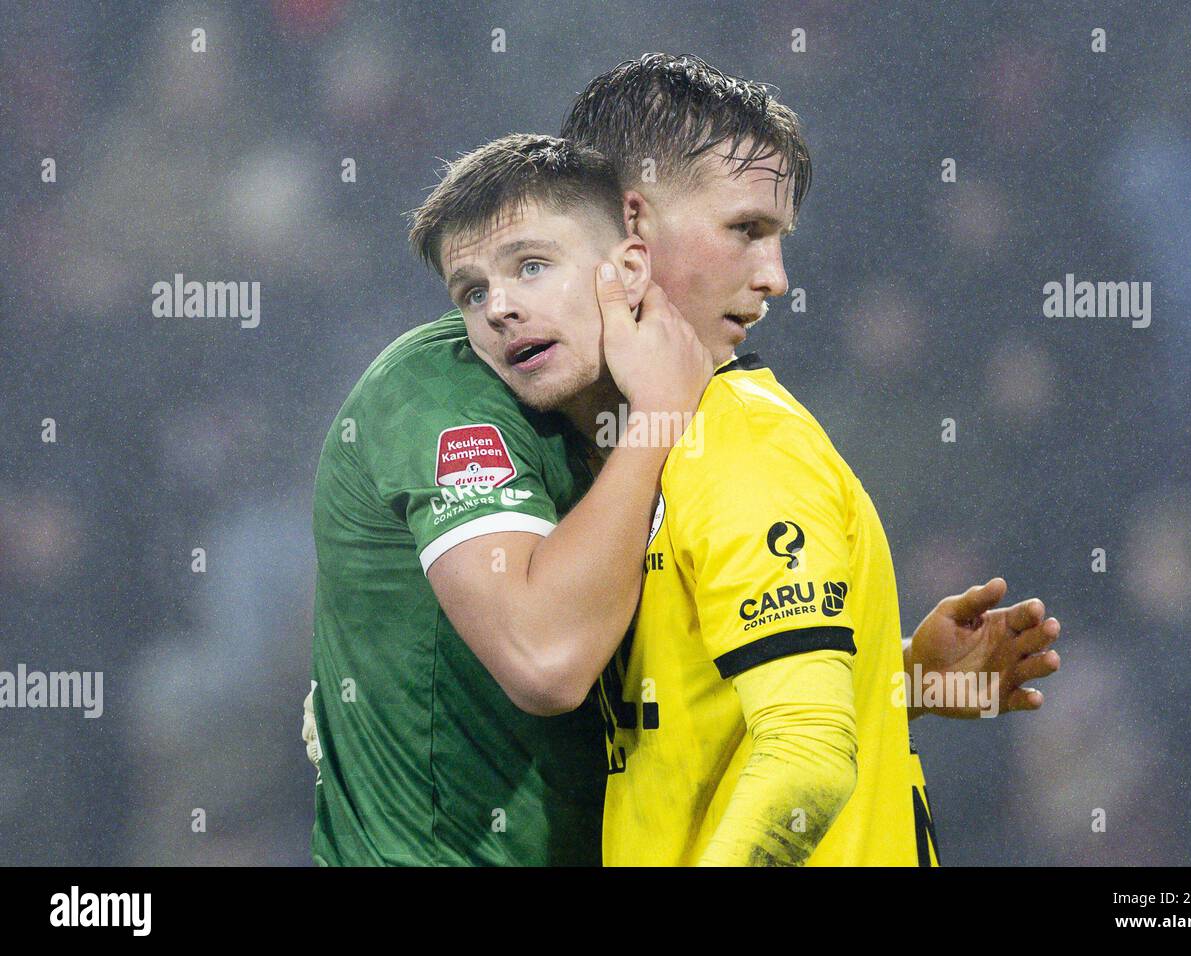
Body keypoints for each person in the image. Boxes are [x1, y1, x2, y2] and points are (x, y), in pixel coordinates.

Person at [305, 54, 1060, 867]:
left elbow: (801, 750)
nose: (774, 278)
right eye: (745, 229)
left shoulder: (726, 436)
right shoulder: (473, 395)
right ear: (632, 228)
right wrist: (891, 687)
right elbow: (569, 671)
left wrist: (881, 684)